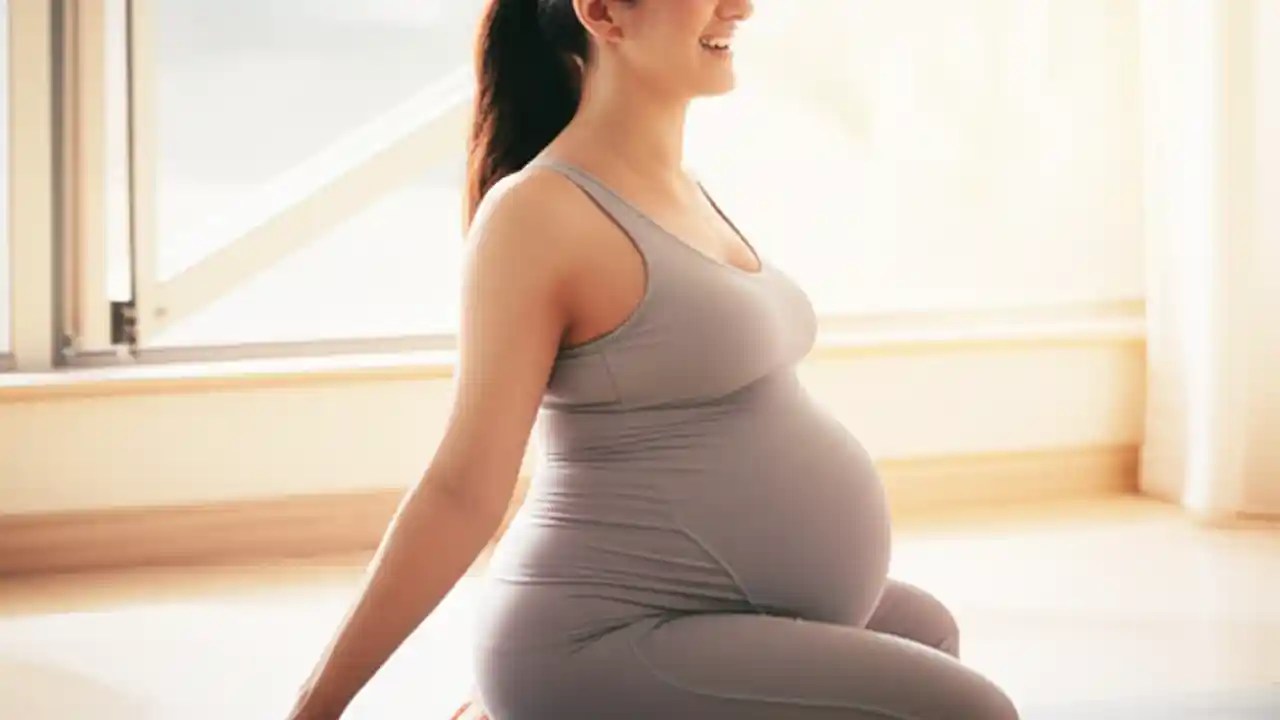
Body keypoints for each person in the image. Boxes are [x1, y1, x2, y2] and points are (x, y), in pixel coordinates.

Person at [288, 1, 1022, 718]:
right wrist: (316, 708)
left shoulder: (682, 185)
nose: (742, 8)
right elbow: (461, 490)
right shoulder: (536, 213)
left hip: (701, 606)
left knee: (927, 631)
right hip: (600, 633)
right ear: (603, 14)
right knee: (973, 710)